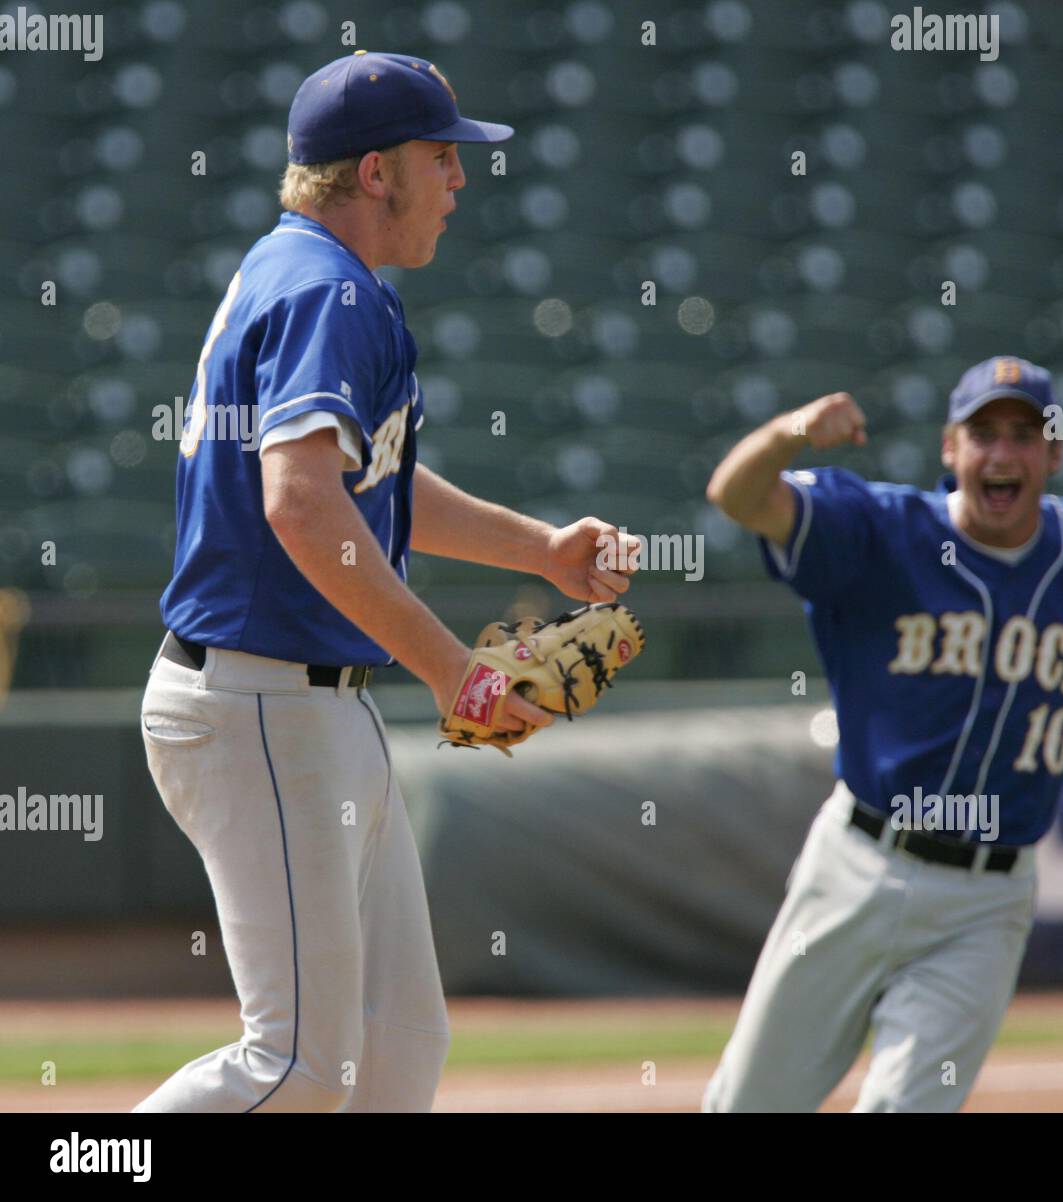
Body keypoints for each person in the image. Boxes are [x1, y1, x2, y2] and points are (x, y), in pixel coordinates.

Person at [136, 51, 636, 1113]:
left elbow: (371, 488)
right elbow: (302, 504)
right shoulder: (327, 291)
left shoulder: (308, 270)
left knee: (396, 1043)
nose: (459, 179)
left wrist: (542, 550)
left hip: (309, 702)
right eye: (441, 156)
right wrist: (454, 669)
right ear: (375, 172)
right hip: (260, 697)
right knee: (300, 1061)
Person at [702, 355, 1063, 1112]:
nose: (1002, 454)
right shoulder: (880, 529)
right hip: (858, 866)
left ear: (1054, 455)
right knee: (747, 1106)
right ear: (951, 449)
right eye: (983, 434)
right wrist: (791, 431)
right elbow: (736, 495)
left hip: (988, 898)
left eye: (1024, 434)